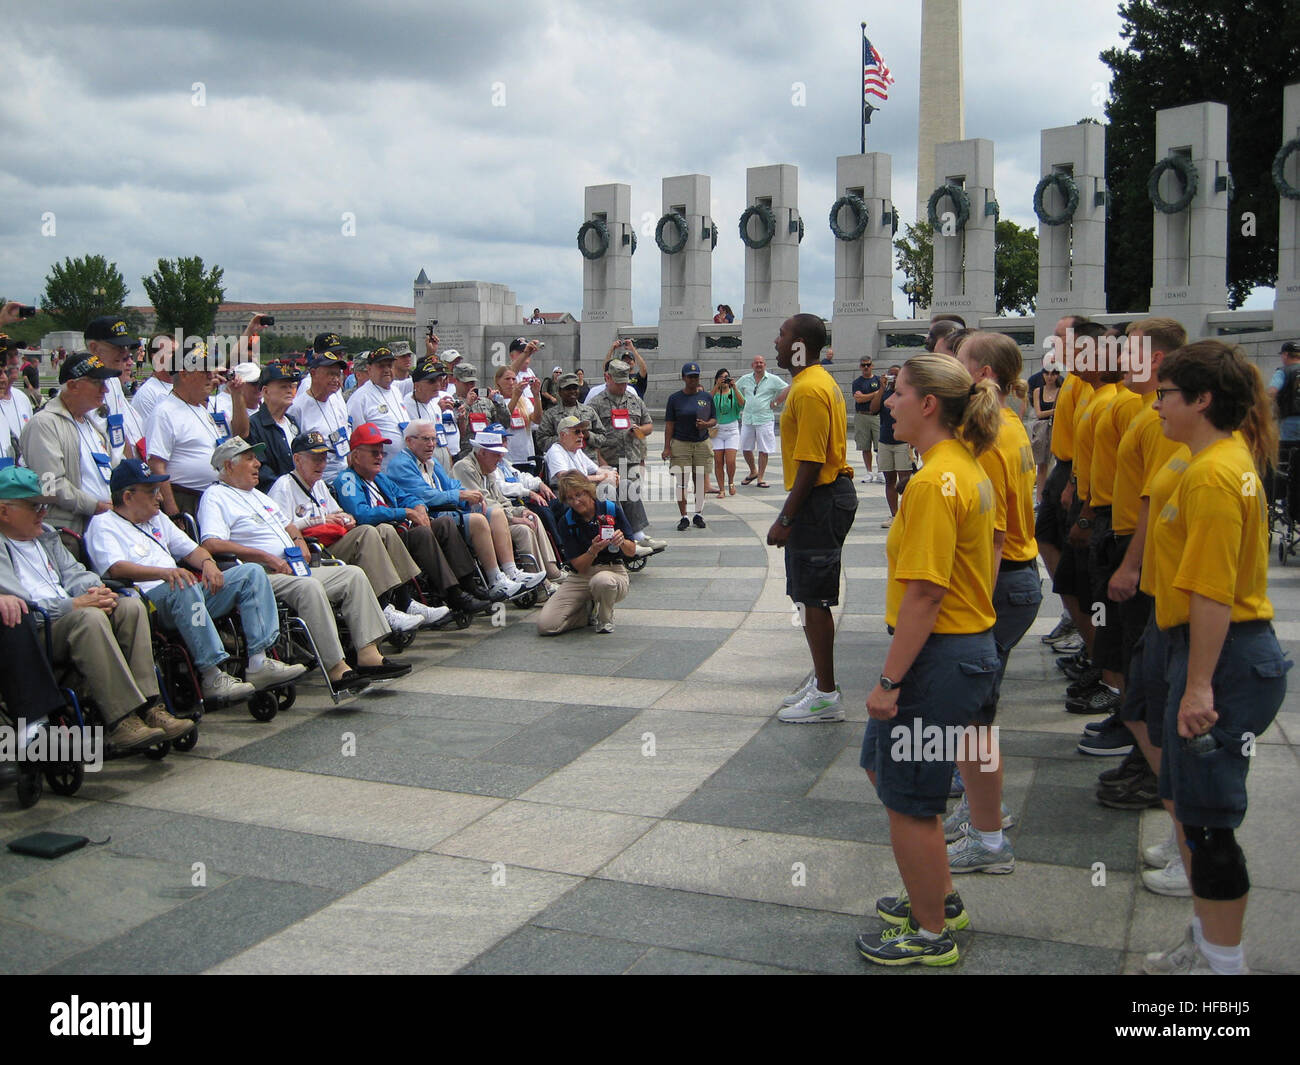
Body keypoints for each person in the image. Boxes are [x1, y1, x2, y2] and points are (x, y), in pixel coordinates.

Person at [1143, 341, 1288, 976]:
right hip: (1205, 653)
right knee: (1193, 811)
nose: (1157, 408)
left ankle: (1225, 970)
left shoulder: (1213, 473)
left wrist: (1199, 686)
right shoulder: (1211, 461)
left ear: (1201, 399)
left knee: (1209, 825)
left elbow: (1212, 592)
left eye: (1166, 396)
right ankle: (1207, 944)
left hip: (1221, 659)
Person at [856, 354, 1002, 967]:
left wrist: (891, 679)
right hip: (961, 649)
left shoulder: (935, 482)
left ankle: (930, 931)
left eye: (898, 393)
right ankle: (936, 892)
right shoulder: (961, 468)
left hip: (938, 655)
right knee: (883, 766)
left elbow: (925, 592)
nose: (888, 403)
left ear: (928, 405)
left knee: (911, 798)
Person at [85, 459, 306, 702]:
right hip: (149, 601)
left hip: (186, 595)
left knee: (251, 573)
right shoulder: (103, 523)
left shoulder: (157, 519)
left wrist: (208, 564)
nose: (158, 498)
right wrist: (164, 573)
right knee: (183, 584)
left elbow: (192, 550)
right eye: (151, 492)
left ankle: (258, 661)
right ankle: (211, 675)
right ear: (127, 497)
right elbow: (115, 568)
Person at [0, 466, 187, 749]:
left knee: (130, 607)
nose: (43, 512)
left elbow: (76, 572)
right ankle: (120, 719)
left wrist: (96, 590)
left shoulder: (46, 535)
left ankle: (151, 706)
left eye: (44, 505)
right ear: (4, 511)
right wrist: (74, 604)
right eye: (34, 506)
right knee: (88, 618)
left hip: (73, 613)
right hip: (40, 630)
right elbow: (21, 603)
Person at [198, 438, 407, 690]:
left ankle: (368, 654)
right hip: (261, 575)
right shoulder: (215, 496)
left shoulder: (255, 495)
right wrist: (265, 557)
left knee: (352, 575)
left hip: (292, 566)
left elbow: (286, 522)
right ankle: (337, 668)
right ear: (229, 466)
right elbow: (211, 543)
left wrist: (297, 538)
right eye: (249, 459)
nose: (258, 463)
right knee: (309, 588)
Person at [945, 332, 1042, 873]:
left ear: (982, 374)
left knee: (974, 709)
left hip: (1000, 581)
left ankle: (987, 828)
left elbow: (996, 536)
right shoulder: (1006, 424)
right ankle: (980, 812)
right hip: (1014, 581)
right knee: (977, 709)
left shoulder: (993, 437)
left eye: (960, 361)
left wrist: (970, 612)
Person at [766, 315, 858, 724]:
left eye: (783, 335)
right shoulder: (812, 384)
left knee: (815, 596)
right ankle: (823, 681)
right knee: (806, 593)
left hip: (821, 499)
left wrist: (787, 516)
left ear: (800, 344)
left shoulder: (809, 390)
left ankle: (825, 695)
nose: (777, 341)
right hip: (821, 498)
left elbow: (811, 461)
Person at [268, 430, 459, 625]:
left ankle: (405, 601)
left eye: (324, 458)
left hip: (335, 540)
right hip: (313, 549)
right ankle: (383, 608)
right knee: (368, 531)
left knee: (386, 530)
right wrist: (322, 520)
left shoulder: (320, 485)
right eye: (315, 459)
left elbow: (345, 513)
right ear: (298, 459)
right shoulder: (284, 486)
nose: (322, 464)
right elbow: (281, 528)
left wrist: (345, 518)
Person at [338, 423, 533, 602]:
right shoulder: (352, 478)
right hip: (390, 531)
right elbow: (362, 513)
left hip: (415, 521)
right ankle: (452, 593)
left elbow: (410, 496)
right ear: (355, 456)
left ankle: (472, 584)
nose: (380, 457)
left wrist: (416, 506)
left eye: (381, 452)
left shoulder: (381, 477)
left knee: (456, 522)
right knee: (460, 523)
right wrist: (405, 511)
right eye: (374, 452)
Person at [18, 351, 119, 535]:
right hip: (69, 530)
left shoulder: (92, 424)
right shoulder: (44, 424)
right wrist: (95, 506)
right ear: (73, 386)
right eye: (98, 383)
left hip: (104, 525)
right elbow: (50, 485)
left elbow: (113, 467)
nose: (105, 389)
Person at [452, 425, 562, 583]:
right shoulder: (464, 467)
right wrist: (514, 518)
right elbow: (485, 503)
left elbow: (500, 499)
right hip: (479, 523)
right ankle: (538, 583)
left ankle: (550, 571)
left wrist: (521, 511)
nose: (500, 459)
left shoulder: (487, 469)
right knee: (523, 529)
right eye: (497, 454)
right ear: (482, 452)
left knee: (533, 517)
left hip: (498, 520)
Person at [537, 471, 639, 635]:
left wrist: (621, 542)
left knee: (602, 581)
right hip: (581, 576)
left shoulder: (610, 509)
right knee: (547, 626)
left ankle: (605, 619)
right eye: (570, 498)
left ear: (588, 491)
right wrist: (593, 550)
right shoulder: (567, 521)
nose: (576, 502)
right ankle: (586, 612)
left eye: (579, 494)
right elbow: (579, 566)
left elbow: (631, 551)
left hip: (613, 571)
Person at [145, 345, 230, 519]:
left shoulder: (200, 408)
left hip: (211, 497)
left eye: (211, 370)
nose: (210, 376)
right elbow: (157, 464)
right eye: (204, 371)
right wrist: (173, 511)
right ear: (184, 374)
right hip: (185, 498)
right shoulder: (165, 412)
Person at [587, 359, 663, 548]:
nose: (622, 386)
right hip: (607, 460)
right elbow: (591, 436)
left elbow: (649, 425)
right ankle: (619, 540)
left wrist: (640, 431)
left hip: (631, 457)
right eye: (618, 382)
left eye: (625, 382)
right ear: (607, 378)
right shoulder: (596, 404)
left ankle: (636, 535)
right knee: (612, 503)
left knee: (631, 496)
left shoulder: (634, 400)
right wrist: (600, 462)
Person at [289, 335, 354, 482]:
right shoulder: (297, 408)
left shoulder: (336, 399)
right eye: (330, 374)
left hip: (345, 476)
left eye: (338, 375)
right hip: (320, 481)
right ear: (313, 373)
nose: (336, 379)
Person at [663, 362, 716, 530]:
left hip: (701, 442)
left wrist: (706, 424)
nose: (693, 379)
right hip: (681, 443)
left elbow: (714, 419)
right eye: (690, 376)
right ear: (683, 378)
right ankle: (684, 516)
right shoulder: (675, 398)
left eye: (696, 376)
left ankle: (698, 514)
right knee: (682, 482)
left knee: (700, 481)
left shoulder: (706, 397)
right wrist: (667, 447)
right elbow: (669, 424)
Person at [245, 362, 302, 490]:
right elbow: (260, 469)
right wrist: (289, 489)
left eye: (291, 386)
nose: (289, 391)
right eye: (283, 386)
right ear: (266, 391)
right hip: (274, 495)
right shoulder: (254, 424)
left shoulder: (292, 421)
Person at [346, 346, 405, 468]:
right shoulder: (360, 398)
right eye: (381, 366)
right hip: (381, 469)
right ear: (369, 369)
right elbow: (356, 439)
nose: (387, 370)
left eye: (389, 365)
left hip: (403, 466)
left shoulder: (396, 391)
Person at [735, 355, 788, 488]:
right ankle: (753, 471)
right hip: (748, 418)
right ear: (752, 365)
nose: (759, 365)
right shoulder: (745, 379)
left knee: (763, 449)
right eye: (756, 363)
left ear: (765, 365)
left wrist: (776, 402)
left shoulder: (772, 379)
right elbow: (733, 389)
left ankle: (761, 477)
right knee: (746, 448)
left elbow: (788, 388)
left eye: (761, 363)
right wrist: (739, 403)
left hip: (764, 419)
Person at [868, 365, 911, 527]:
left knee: (905, 480)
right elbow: (873, 409)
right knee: (889, 480)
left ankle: (907, 514)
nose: (893, 378)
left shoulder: (906, 393)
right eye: (890, 375)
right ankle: (895, 515)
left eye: (896, 375)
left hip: (902, 442)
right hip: (885, 440)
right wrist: (881, 387)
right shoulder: (884, 393)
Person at [545, 416, 620, 495]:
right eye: (577, 432)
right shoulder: (555, 451)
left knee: (624, 485)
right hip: (569, 496)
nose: (582, 435)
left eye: (582, 432)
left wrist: (612, 474)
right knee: (608, 489)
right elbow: (566, 478)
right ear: (563, 435)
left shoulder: (577, 451)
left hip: (584, 491)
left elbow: (597, 470)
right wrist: (601, 478)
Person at [537, 372, 605, 457]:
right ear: (560, 392)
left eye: (575, 388)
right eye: (568, 389)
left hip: (588, 461)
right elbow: (541, 441)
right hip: (562, 462)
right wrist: (564, 438)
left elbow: (602, 437)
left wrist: (588, 436)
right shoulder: (550, 415)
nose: (572, 392)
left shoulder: (589, 411)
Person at [709, 368, 743, 496]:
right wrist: (717, 386)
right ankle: (721, 489)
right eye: (722, 377)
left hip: (732, 430)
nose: (725, 379)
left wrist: (734, 387)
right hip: (717, 430)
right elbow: (707, 402)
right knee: (718, 461)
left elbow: (742, 403)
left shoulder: (733, 392)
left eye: (726, 377)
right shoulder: (715, 393)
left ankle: (731, 482)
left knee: (730, 460)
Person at [0, 346, 36, 466]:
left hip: (21, 477)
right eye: (9, 356)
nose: (15, 361)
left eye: (16, 355)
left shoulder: (21, 398)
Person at [1030, 365, 1061, 499]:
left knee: (1055, 464)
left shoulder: (1061, 391)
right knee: (1041, 465)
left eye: (1053, 374)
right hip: (1043, 430)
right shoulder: (1038, 391)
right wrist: (1055, 411)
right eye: (1047, 374)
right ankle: (1040, 499)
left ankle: (1051, 496)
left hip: (1056, 428)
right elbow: (1038, 413)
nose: (1049, 377)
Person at [852, 356, 883, 483]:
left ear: (872, 366)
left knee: (879, 446)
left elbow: (881, 396)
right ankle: (869, 471)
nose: (866, 367)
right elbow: (859, 399)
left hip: (876, 415)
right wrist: (875, 394)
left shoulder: (878, 380)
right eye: (863, 365)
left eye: (868, 365)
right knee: (865, 446)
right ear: (860, 367)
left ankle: (881, 471)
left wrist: (868, 396)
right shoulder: (857, 382)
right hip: (861, 415)